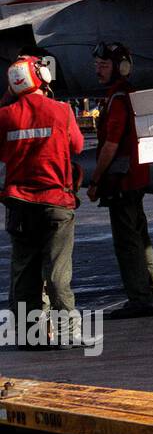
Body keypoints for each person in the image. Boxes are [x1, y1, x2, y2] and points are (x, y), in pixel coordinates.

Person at [0, 56, 83, 346]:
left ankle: (27, 335)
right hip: (55, 203)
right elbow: (78, 145)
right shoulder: (60, 110)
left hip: (19, 204)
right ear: (42, 76)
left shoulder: (5, 115)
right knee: (58, 272)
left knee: (24, 273)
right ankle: (68, 333)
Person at [87, 42, 153, 317]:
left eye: (104, 65)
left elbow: (110, 145)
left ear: (120, 68)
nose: (98, 69)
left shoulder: (118, 98)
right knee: (140, 238)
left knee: (128, 243)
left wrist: (94, 180)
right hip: (134, 177)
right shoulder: (124, 95)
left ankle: (140, 298)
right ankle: (152, 293)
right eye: (96, 65)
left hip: (122, 181)